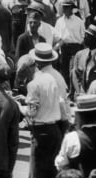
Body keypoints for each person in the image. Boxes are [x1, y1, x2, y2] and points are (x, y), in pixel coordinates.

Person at [24, 43, 68, 178]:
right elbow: (61, 102)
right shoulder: (55, 77)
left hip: (43, 130)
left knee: (37, 172)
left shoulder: (37, 81)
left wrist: (19, 107)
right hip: (56, 127)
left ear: (36, 62)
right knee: (52, 171)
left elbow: (32, 112)